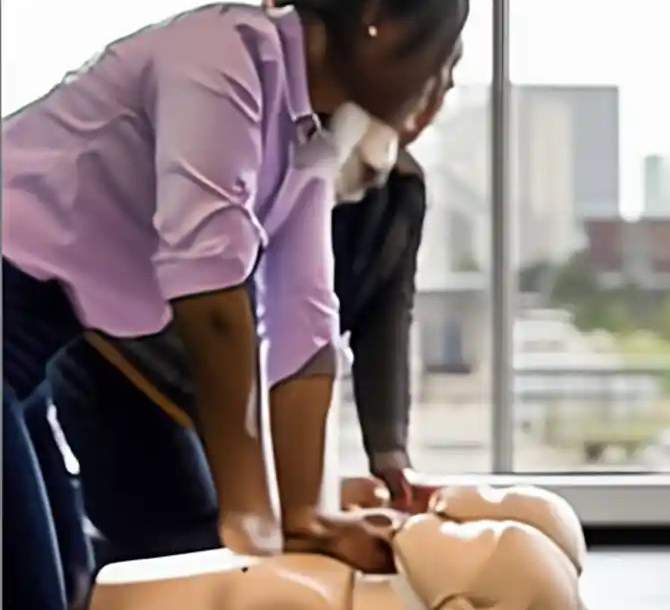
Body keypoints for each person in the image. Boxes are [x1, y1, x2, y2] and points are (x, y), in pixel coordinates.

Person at [1, 0, 468, 610]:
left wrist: (307, 511)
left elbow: (304, 317)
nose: (443, 78)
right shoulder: (220, 56)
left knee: (66, 603)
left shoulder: (306, 137)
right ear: (378, 19)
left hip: (30, 344)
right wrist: (251, 516)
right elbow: (211, 298)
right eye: (442, 48)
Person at [46, 93, 454, 566]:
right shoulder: (256, 147)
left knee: (247, 539)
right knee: (187, 546)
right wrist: (287, 504)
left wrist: (389, 456)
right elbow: (231, 312)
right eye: (428, 79)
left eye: (444, 86)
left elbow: (384, 317)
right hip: (134, 354)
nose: (429, 102)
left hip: (240, 379)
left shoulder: (399, 187)